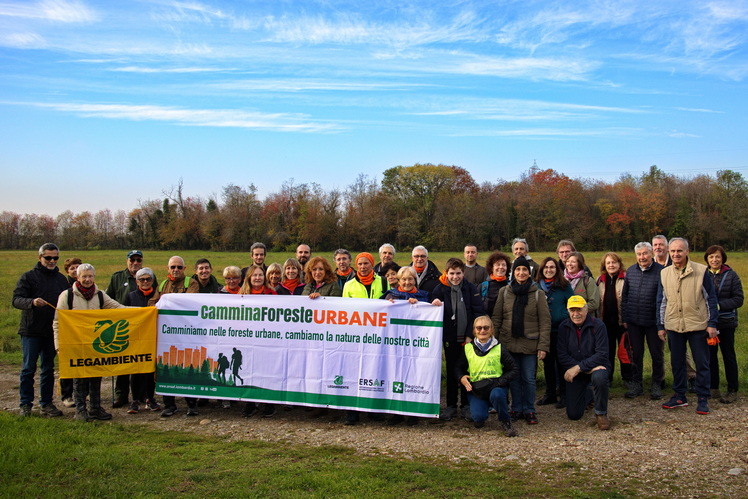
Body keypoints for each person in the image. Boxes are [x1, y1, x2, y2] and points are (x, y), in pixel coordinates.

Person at [53, 263, 124, 421]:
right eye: (84, 276)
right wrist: (58, 346)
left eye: (90, 276)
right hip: (75, 343)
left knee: (96, 375)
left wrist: (146, 311)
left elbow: (119, 308)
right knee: (79, 377)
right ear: (77, 277)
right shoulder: (67, 295)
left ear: (94, 277)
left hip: (94, 344)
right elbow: (58, 322)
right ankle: (80, 410)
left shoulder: (99, 295)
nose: (87, 279)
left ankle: (95, 408)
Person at [657, 237, 718, 415]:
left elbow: (710, 299)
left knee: (702, 362)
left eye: (680, 251)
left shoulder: (701, 271)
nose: (676, 254)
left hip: (697, 324)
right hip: (674, 324)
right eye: (673, 251)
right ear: (669, 252)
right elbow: (661, 301)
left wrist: (712, 323)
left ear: (687, 251)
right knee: (677, 362)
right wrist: (661, 325)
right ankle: (679, 395)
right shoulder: (665, 273)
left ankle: (703, 397)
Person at [491, 256, 551, 425]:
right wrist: (494, 342)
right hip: (508, 343)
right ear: (513, 272)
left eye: (524, 269)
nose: (521, 272)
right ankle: (516, 408)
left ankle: (529, 409)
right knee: (514, 379)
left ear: (529, 272)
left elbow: (545, 322)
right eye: (518, 269)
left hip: (530, 344)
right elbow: (497, 318)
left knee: (529, 379)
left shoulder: (538, 294)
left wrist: (543, 346)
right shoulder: (505, 292)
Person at [13, 243, 69, 417]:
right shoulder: (28, 277)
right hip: (31, 330)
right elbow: (16, 299)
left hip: (51, 331)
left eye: (55, 258)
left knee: (48, 368)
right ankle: (25, 404)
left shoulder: (61, 279)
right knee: (28, 368)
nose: (52, 261)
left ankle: (46, 403)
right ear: (40, 258)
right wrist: (31, 302)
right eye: (48, 258)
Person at [431, 258, 486, 422]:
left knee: (467, 371)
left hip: (467, 338)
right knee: (451, 371)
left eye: (458, 273)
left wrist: (470, 334)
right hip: (449, 337)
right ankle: (451, 405)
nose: (455, 277)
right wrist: (433, 304)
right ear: (446, 273)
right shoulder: (440, 289)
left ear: (463, 273)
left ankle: (466, 405)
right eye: (452, 273)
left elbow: (477, 312)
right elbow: (432, 310)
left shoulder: (470, 289)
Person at [341, 252, 389, 425]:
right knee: (353, 371)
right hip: (356, 335)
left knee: (374, 371)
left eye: (366, 263)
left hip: (377, 335)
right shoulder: (349, 285)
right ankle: (352, 411)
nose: (363, 267)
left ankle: (373, 409)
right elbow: (344, 311)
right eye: (360, 264)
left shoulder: (383, 281)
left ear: (372, 264)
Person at [457, 316, 519, 436]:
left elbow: (514, 369)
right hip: (477, 390)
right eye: (479, 328)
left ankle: (505, 420)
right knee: (478, 418)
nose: (482, 331)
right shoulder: (467, 348)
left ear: (491, 330)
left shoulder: (499, 347)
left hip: (496, 387)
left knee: (497, 395)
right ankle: (481, 412)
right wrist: (461, 378)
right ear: (474, 331)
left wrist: (500, 381)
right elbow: (458, 368)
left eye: (486, 328)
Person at [557, 295, 611, 430]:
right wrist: (580, 368)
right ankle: (589, 394)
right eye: (572, 310)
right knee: (573, 414)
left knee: (600, 376)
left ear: (586, 310)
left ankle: (601, 413)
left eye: (579, 310)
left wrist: (580, 367)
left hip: (596, 368)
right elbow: (562, 355)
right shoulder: (564, 327)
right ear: (568, 311)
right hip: (577, 370)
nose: (576, 314)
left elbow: (602, 354)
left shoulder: (598, 325)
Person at [105, 249, 150, 408]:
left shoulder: (148, 276)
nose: (135, 263)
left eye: (138, 260)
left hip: (143, 326)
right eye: (132, 260)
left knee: (141, 361)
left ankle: (142, 394)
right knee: (123, 361)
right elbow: (107, 298)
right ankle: (121, 394)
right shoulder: (117, 277)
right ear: (127, 261)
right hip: (122, 325)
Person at [620, 242, 665, 400]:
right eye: (639, 254)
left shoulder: (661, 271)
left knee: (656, 354)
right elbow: (625, 296)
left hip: (653, 322)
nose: (642, 257)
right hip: (634, 321)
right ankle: (637, 384)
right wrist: (625, 318)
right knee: (636, 354)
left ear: (652, 254)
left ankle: (656, 384)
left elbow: (664, 298)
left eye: (645, 253)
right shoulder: (631, 271)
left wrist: (661, 323)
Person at [159, 256, 200, 417]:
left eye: (179, 267)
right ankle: (169, 404)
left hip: (187, 333)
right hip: (167, 334)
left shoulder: (191, 283)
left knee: (189, 365)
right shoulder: (162, 284)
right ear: (168, 268)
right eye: (173, 267)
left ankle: (191, 403)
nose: (176, 270)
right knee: (167, 367)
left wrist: (167, 302)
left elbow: (190, 302)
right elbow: (153, 303)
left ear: (184, 269)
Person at [704, 245, 744, 403]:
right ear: (707, 259)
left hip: (726, 322)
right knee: (710, 356)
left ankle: (732, 389)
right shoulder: (703, 274)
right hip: (708, 323)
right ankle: (713, 388)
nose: (714, 260)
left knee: (728, 355)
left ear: (723, 258)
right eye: (711, 257)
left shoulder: (732, 275)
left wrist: (719, 305)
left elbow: (738, 299)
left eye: (717, 257)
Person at [536, 257, 574, 408]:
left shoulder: (564, 286)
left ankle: (564, 394)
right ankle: (550, 393)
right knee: (548, 364)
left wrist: (563, 315)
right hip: (545, 332)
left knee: (562, 362)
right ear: (542, 270)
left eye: (552, 267)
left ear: (557, 269)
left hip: (561, 330)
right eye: (546, 267)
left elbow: (572, 304)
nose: (549, 270)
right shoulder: (537, 287)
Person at [123, 267, 161, 414]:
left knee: (150, 370)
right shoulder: (131, 296)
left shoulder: (158, 296)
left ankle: (150, 398)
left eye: (148, 279)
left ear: (152, 281)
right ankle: (135, 400)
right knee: (136, 370)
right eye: (142, 280)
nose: (145, 282)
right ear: (137, 282)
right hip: (136, 338)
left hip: (153, 337)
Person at [596, 252, 632, 387]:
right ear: (604, 265)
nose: (611, 265)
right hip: (605, 324)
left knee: (625, 352)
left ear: (619, 264)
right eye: (608, 263)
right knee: (607, 352)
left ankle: (628, 378)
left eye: (614, 262)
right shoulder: (600, 280)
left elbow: (630, 300)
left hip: (622, 323)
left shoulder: (626, 278)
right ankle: (608, 378)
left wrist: (627, 319)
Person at [59, 256, 82, 406]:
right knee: (68, 363)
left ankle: (81, 393)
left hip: (82, 330)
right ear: (67, 270)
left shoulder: (87, 284)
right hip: (68, 329)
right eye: (72, 268)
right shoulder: (63, 285)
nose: (75, 270)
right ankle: (66, 395)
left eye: (77, 267)